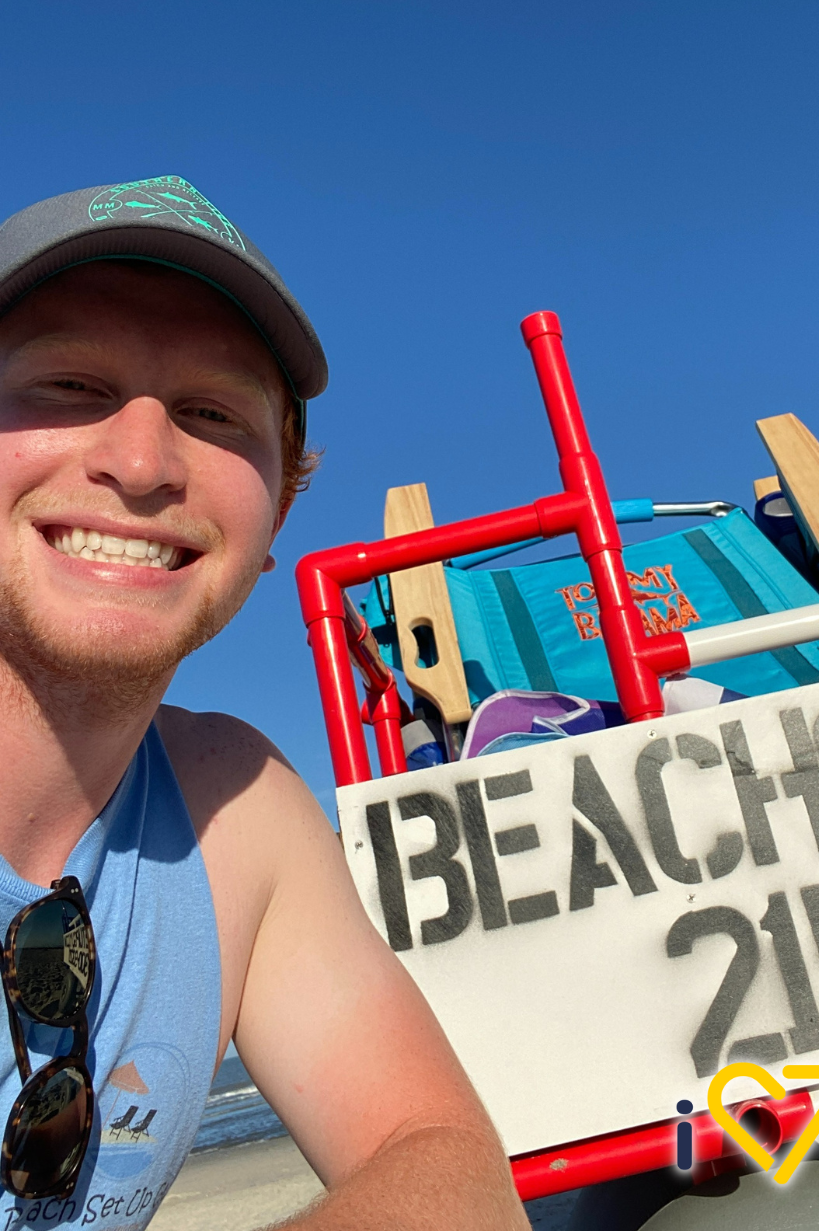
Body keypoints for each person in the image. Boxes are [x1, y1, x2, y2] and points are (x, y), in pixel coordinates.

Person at [0, 176, 530, 1230]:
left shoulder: (236, 807)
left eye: (210, 413)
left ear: (278, 506)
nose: (144, 463)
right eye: (67, 383)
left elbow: (443, 1162)